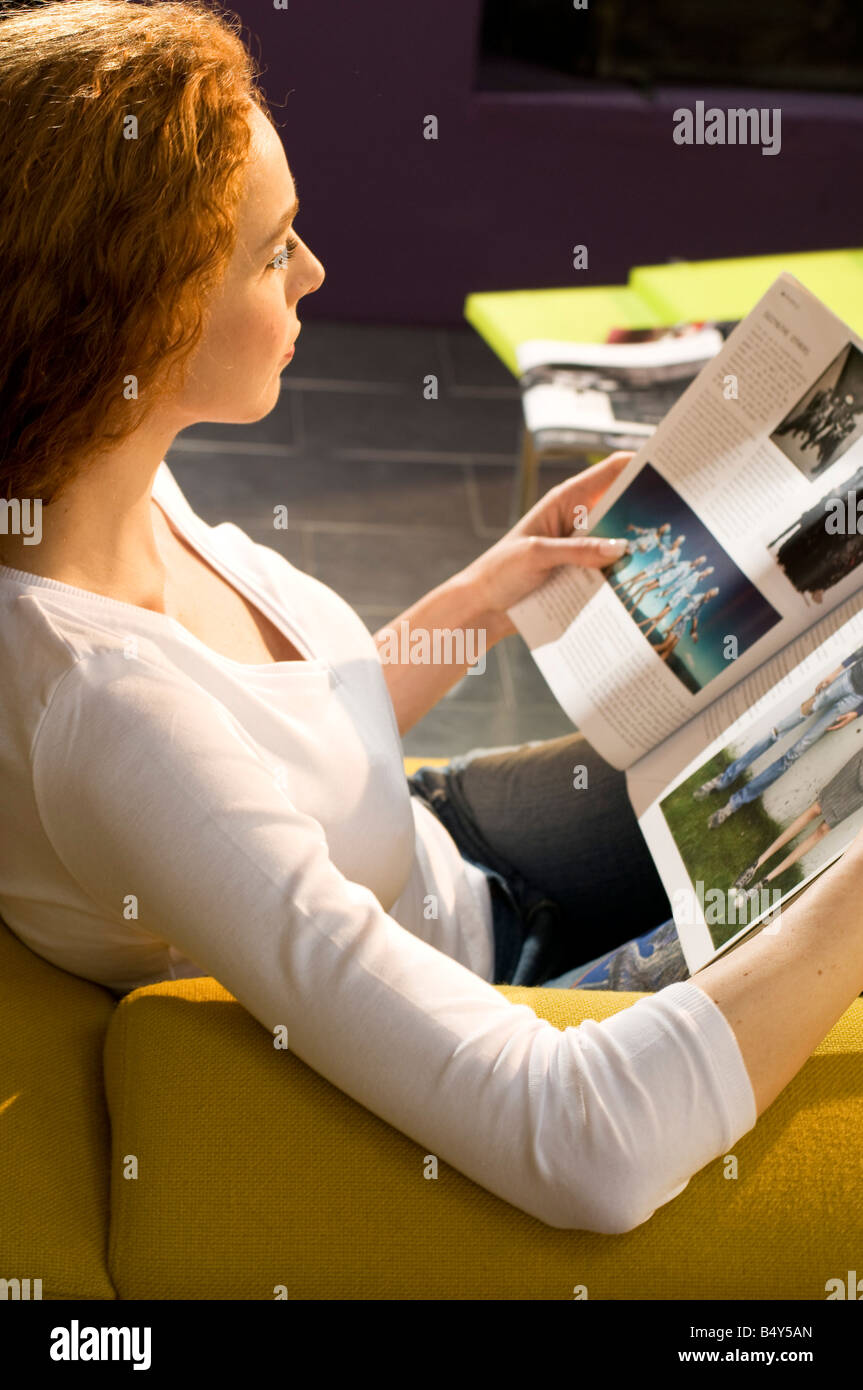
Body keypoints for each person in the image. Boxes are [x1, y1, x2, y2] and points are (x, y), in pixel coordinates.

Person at [1, 0, 862, 1239]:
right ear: (137, 317)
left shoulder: (90, 472)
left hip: (446, 839)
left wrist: (484, 594)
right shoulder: (107, 721)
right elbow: (581, 1143)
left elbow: (279, 733)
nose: (313, 273)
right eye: (271, 250)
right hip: (494, 977)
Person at [700, 647, 863, 827]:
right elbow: (858, 653)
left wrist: (857, 713)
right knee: (777, 731)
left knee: (794, 754)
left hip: (854, 701)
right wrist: (834, 673)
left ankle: (734, 803)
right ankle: (725, 778)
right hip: (845, 680)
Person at [731, 746, 863, 901]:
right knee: (815, 809)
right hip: (857, 768)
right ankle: (756, 864)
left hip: (859, 796)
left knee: (824, 829)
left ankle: (765, 881)